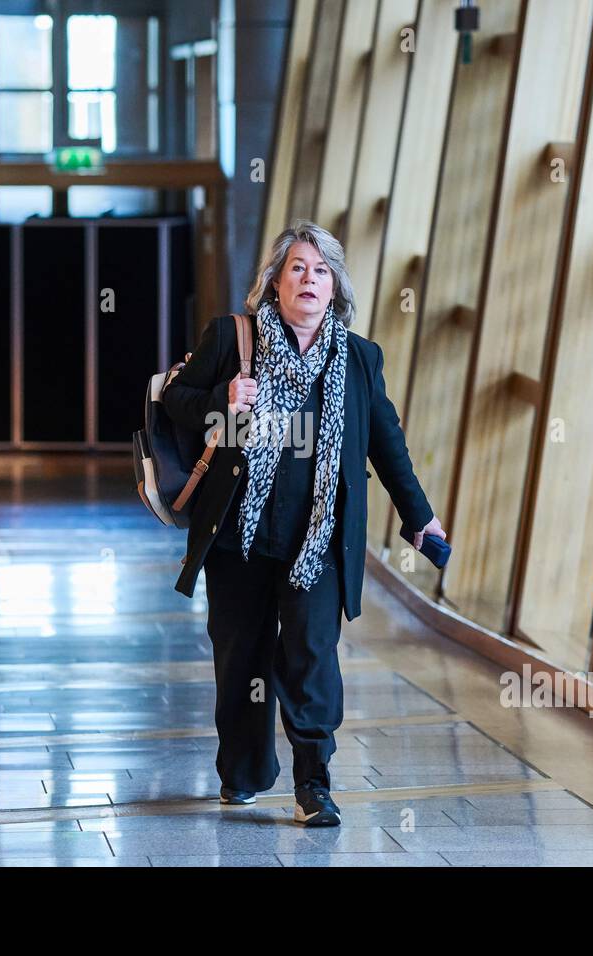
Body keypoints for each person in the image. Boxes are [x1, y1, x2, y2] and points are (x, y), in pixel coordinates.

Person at [161, 219, 445, 826]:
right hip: (239, 537)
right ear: (274, 283)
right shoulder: (232, 340)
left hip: (318, 542)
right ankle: (243, 772)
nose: (309, 280)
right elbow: (176, 400)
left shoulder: (359, 360)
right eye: (297, 269)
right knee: (240, 657)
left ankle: (314, 783)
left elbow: (385, 446)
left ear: (335, 288)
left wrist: (419, 518)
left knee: (313, 657)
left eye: (321, 271)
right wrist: (222, 401)